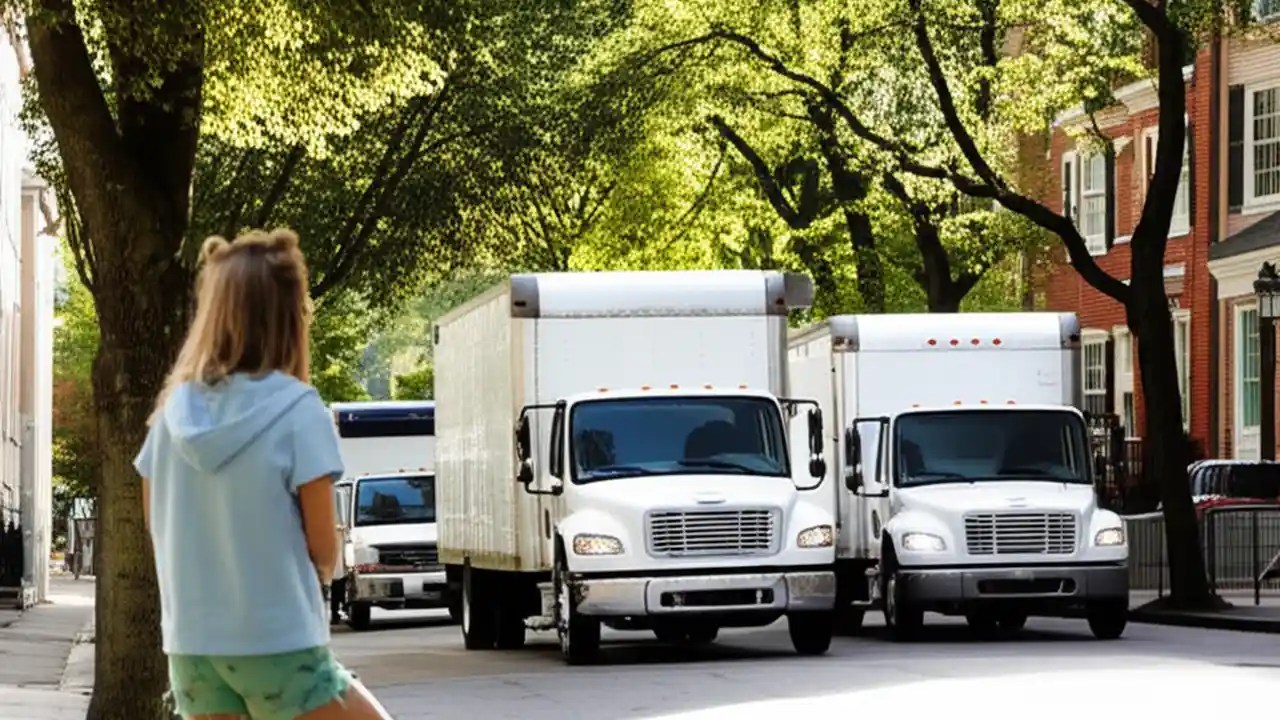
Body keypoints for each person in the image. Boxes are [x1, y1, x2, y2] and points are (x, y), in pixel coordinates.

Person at [133, 229, 391, 720]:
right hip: (280, 640)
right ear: (290, 317)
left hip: (192, 648)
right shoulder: (298, 409)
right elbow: (324, 548)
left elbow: (156, 525)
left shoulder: (169, 416)